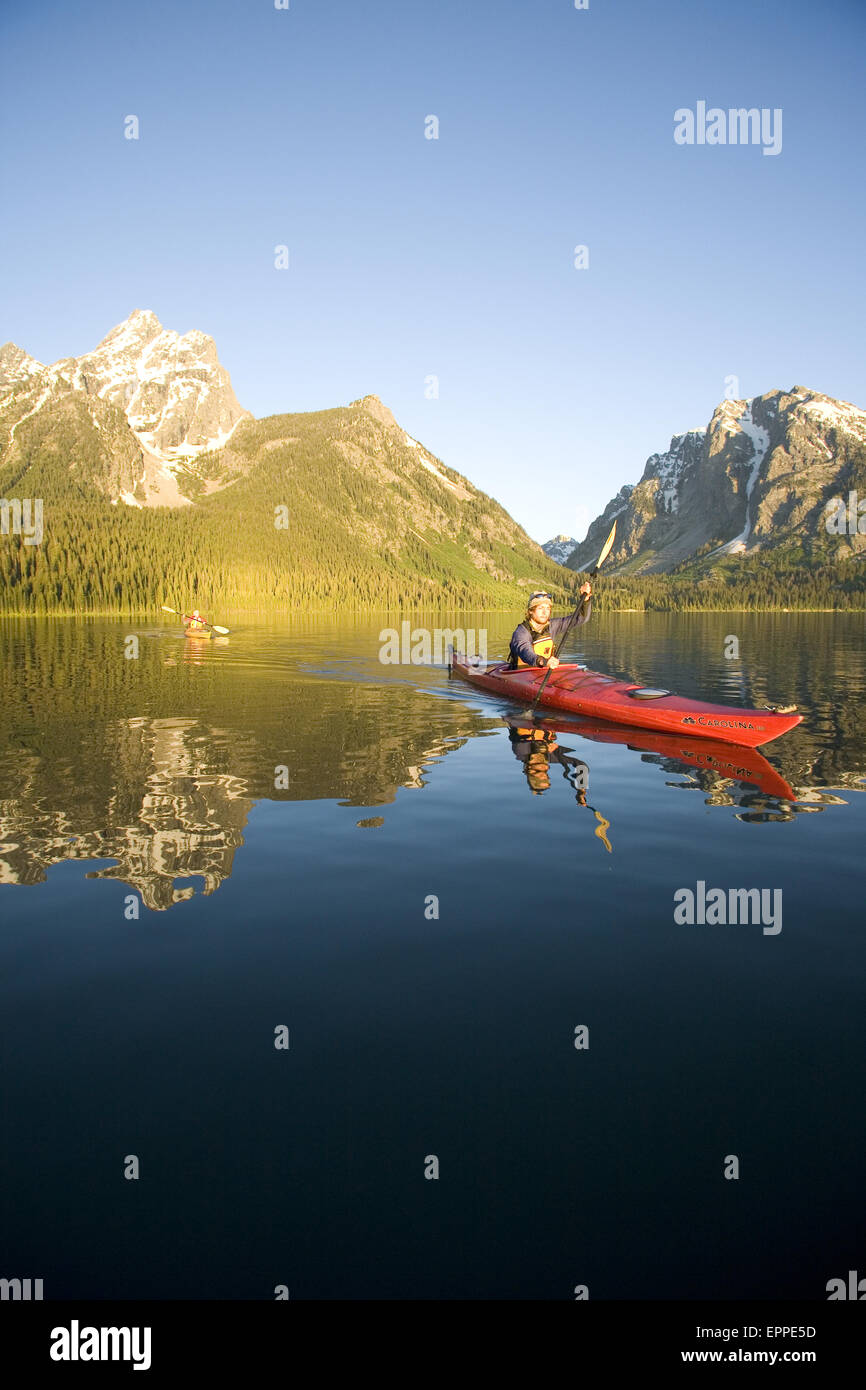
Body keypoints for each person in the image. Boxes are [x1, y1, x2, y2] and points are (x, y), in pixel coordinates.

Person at [508, 586, 592, 670]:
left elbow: (580, 618)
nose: (545, 612)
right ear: (530, 611)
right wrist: (543, 661)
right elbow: (526, 652)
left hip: (545, 672)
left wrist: (585, 600)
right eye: (540, 608)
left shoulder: (552, 626)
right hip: (521, 674)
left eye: (548, 608)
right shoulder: (521, 632)